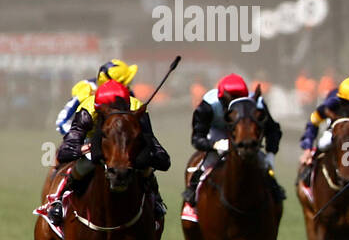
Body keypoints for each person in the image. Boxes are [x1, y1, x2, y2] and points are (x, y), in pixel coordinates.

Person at [49, 79, 170, 225]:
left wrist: (155, 156)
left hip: (125, 143)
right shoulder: (88, 108)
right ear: (98, 108)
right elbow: (66, 149)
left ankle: (155, 199)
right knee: (85, 165)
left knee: (144, 167)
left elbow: (151, 143)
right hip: (94, 141)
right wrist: (82, 148)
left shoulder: (136, 107)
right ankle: (60, 200)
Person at [181, 73, 284, 207]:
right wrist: (215, 145)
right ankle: (193, 196)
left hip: (243, 134)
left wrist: (270, 155)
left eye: (239, 99)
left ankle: (275, 194)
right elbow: (197, 138)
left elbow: (273, 130)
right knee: (205, 166)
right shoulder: (209, 104)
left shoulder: (257, 104)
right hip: (217, 133)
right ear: (221, 97)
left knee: (264, 168)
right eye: (230, 100)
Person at [297, 75, 349, 181]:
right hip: (337, 128)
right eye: (347, 103)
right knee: (323, 143)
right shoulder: (331, 102)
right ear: (341, 99)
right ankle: (310, 172)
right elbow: (313, 123)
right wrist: (308, 148)